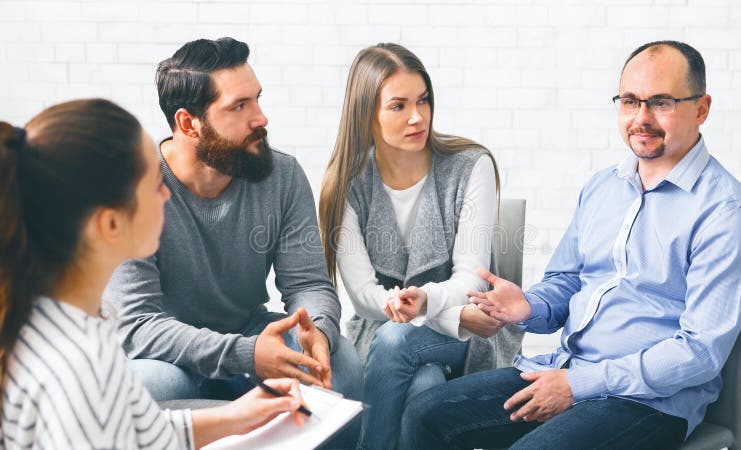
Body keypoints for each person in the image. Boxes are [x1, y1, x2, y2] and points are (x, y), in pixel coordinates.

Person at [401, 40, 741, 450]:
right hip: (566, 370)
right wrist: (529, 305)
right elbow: (567, 280)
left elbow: (699, 353)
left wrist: (578, 385)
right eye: (630, 101)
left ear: (701, 108)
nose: (641, 118)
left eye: (661, 103)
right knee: (426, 413)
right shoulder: (603, 188)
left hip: (649, 403)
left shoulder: (728, 214)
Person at [0, 99, 308, 449]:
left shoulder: (55, 326)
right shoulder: (80, 364)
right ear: (111, 223)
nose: (167, 194)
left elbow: (132, 431)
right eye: (154, 184)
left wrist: (237, 417)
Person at [104, 37, 363, 406]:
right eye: (239, 106)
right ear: (189, 123)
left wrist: (317, 331)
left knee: (343, 366)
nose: (261, 118)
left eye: (257, 98)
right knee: (155, 386)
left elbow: (308, 284)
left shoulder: (282, 176)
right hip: (165, 355)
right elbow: (138, 325)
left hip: (247, 335)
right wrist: (247, 353)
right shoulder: (132, 190)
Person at [318, 42, 523, 449]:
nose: (417, 117)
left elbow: (472, 279)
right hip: (382, 332)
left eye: (423, 101)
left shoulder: (470, 165)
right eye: (398, 106)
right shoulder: (345, 185)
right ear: (366, 116)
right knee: (422, 380)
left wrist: (425, 301)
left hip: (468, 335)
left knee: (399, 341)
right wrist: (421, 310)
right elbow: (361, 296)